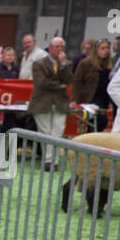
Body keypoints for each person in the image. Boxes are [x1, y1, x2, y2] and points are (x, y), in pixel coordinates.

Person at [28, 36, 73, 169]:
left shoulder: (67, 64)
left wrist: (63, 65)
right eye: (57, 46)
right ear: (50, 48)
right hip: (42, 102)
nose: (59, 49)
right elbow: (41, 83)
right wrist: (60, 86)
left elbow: (69, 80)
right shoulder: (38, 64)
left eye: (62, 47)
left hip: (60, 103)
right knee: (45, 132)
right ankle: (48, 161)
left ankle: (55, 161)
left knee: (58, 132)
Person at [72, 38, 114, 131]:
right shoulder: (86, 63)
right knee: (101, 120)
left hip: (104, 97)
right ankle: (89, 140)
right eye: (102, 48)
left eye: (107, 48)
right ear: (96, 50)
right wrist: (75, 99)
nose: (105, 51)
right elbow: (77, 81)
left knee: (96, 123)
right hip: (90, 97)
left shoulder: (110, 63)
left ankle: (90, 139)